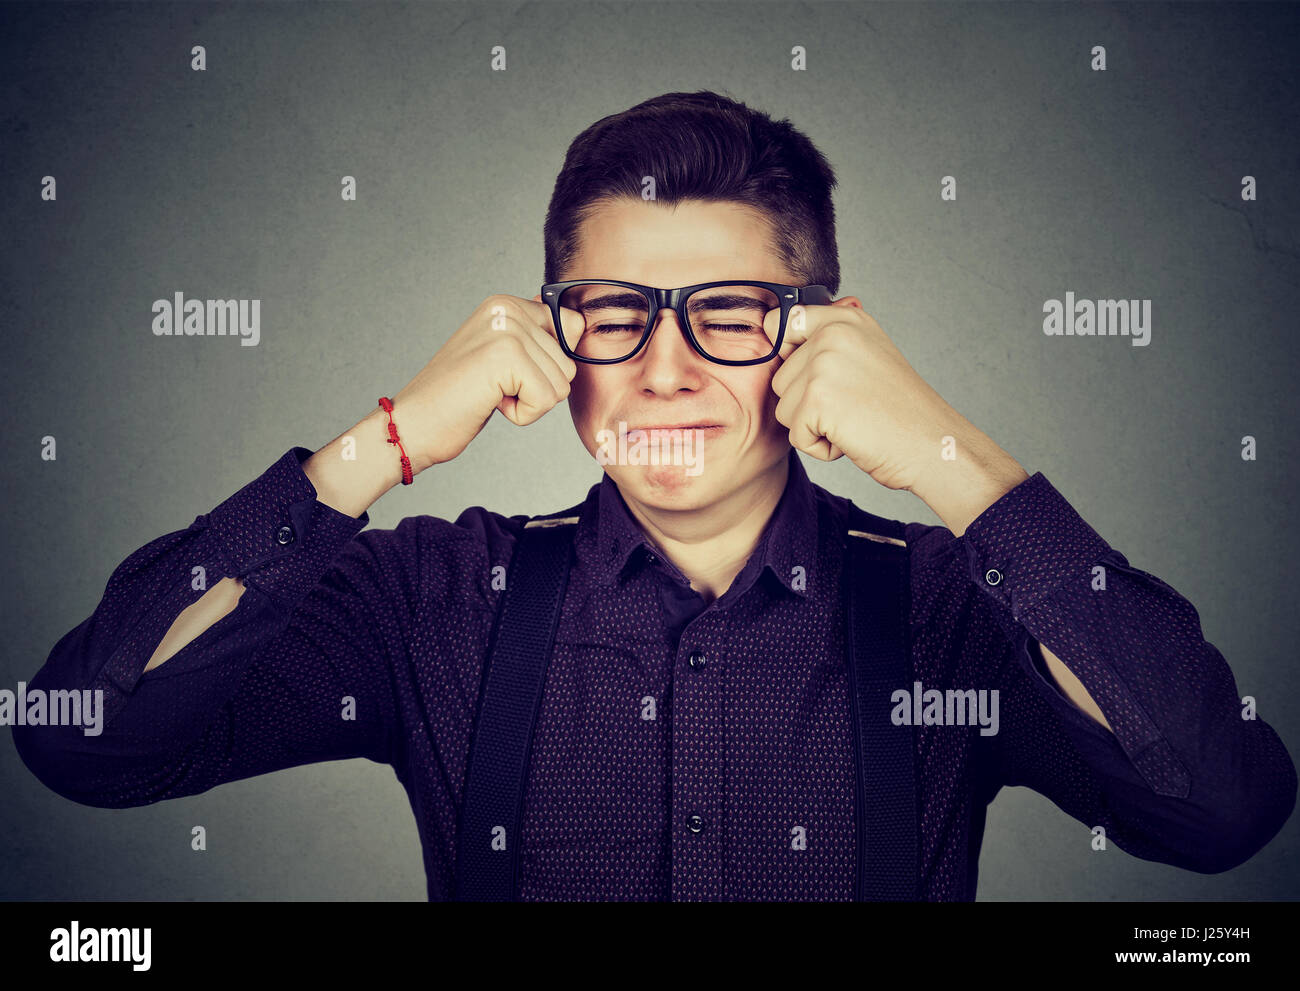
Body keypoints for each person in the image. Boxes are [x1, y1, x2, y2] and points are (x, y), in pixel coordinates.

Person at [13, 90, 1296, 901]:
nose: (664, 369)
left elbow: (1219, 808)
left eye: (728, 312)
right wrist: (375, 446)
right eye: (616, 314)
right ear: (552, 335)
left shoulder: (954, 605)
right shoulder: (432, 602)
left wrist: (958, 462)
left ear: (820, 335)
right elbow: (81, 732)